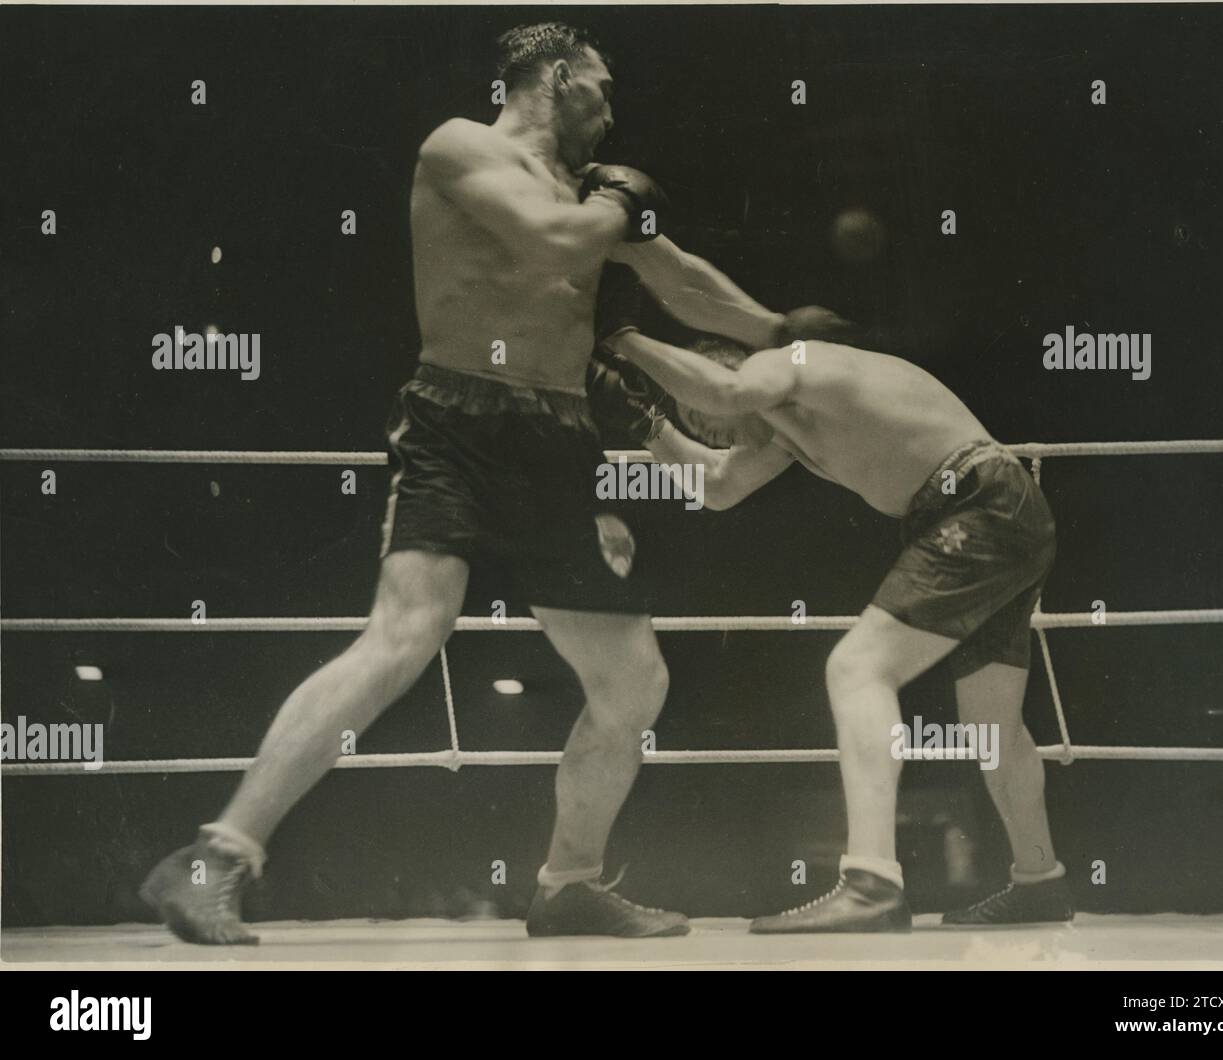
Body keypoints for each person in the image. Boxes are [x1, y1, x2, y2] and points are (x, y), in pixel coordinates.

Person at [140, 21, 802, 943]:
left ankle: (567, 884)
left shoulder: (591, 194)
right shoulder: (460, 148)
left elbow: (681, 281)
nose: (610, 116)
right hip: (459, 421)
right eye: (600, 91)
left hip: (558, 436)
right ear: (558, 76)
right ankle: (217, 857)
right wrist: (618, 210)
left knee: (632, 681)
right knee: (405, 635)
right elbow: (552, 242)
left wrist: (786, 333)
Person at [605, 323, 1073, 931]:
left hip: (976, 501)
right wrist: (650, 426)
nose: (702, 425)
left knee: (857, 669)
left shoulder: (792, 367)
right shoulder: (784, 435)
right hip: (999, 512)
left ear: (728, 375)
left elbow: (724, 392)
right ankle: (1040, 882)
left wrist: (621, 337)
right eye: (689, 418)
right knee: (993, 725)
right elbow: (718, 488)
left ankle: (871, 882)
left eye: (693, 405)